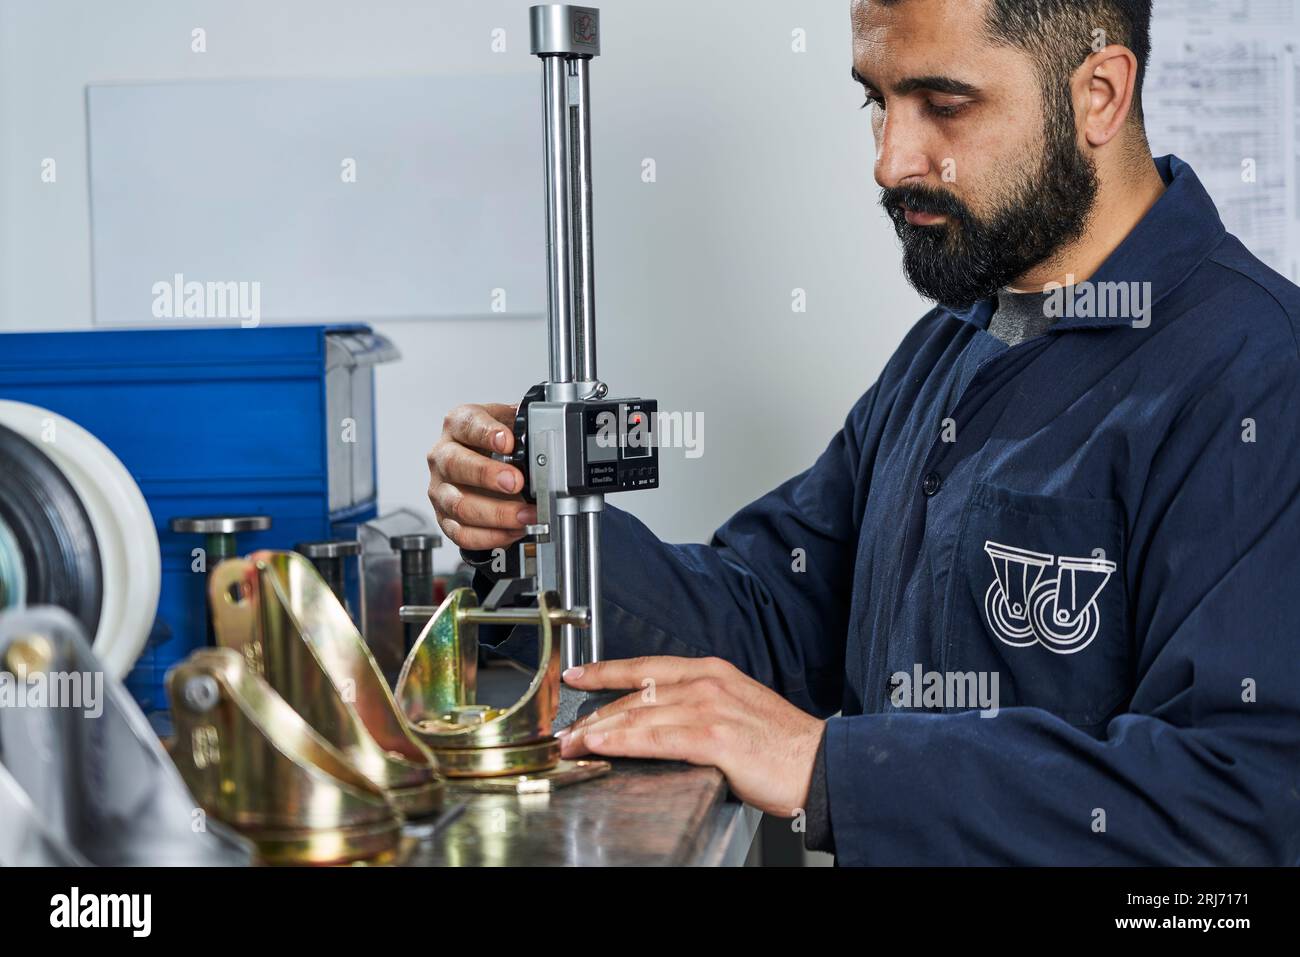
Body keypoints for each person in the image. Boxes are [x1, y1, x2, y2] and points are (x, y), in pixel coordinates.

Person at [425, 0, 1300, 864]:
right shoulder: (948, 348)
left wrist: (830, 767)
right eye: (876, 101)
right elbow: (772, 610)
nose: (890, 160)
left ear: (1100, 94)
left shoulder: (1257, 378)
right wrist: (542, 530)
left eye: (944, 105)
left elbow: (1239, 804)